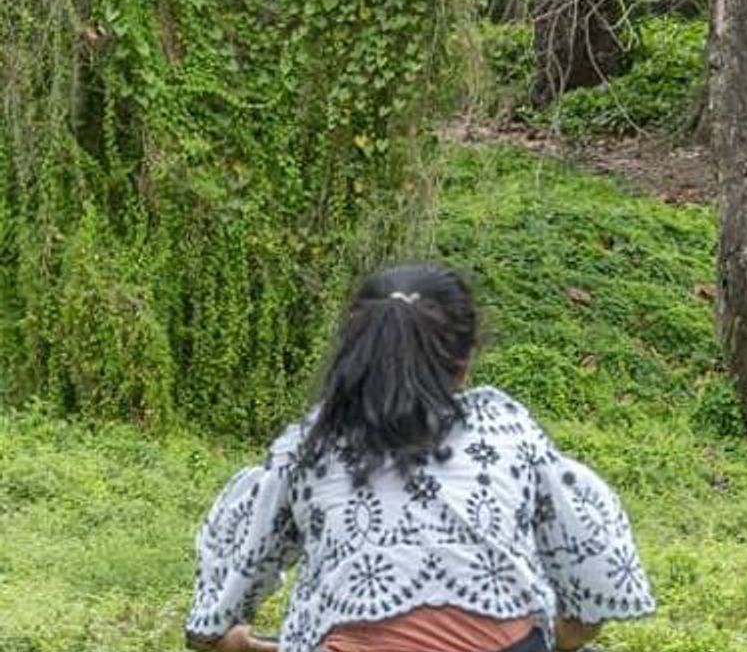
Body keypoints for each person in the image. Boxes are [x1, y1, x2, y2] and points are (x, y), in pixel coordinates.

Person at [186, 263, 655, 652]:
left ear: (355, 351)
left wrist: (239, 641)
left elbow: (217, 614)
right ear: (466, 358)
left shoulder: (310, 445)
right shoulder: (507, 431)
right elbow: (593, 594)